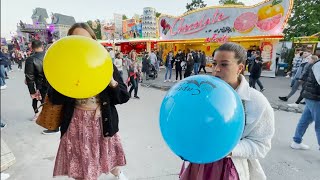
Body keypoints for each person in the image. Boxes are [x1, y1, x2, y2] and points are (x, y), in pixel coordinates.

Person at [180, 42, 274, 180]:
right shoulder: (203, 94)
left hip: (229, 169)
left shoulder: (256, 102)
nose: (216, 69)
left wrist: (228, 149)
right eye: (214, 64)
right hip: (197, 162)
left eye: (224, 64)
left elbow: (261, 145)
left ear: (240, 68)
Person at [49, 23, 130, 180]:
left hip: (102, 121)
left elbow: (123, 96)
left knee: (109, 157)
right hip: (75, 124)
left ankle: (117, 173)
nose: (81, 44)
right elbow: (54, 98)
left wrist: (112, 83)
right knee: (82, 166)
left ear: (93, 41)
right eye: (75, 39)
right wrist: (63, 80)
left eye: (85, 39)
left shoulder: (104, 63)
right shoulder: (64, 66)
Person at [24, 40, 59, 134]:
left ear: (32, 47)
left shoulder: (31, 59)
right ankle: (52, 125)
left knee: (46, 104)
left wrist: (32, 92)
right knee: (51, 103)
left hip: (41, 85)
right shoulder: (50, 55)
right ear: (42, 46)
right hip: (53, 84)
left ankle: (53, 127)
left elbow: (29, 77)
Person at [290, 55, 320, 150]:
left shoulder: (317, 64)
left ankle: (296, 141)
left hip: (313, 96)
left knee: (305, 120)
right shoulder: (318, 65)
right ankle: (296, 141)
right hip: (315, 97)